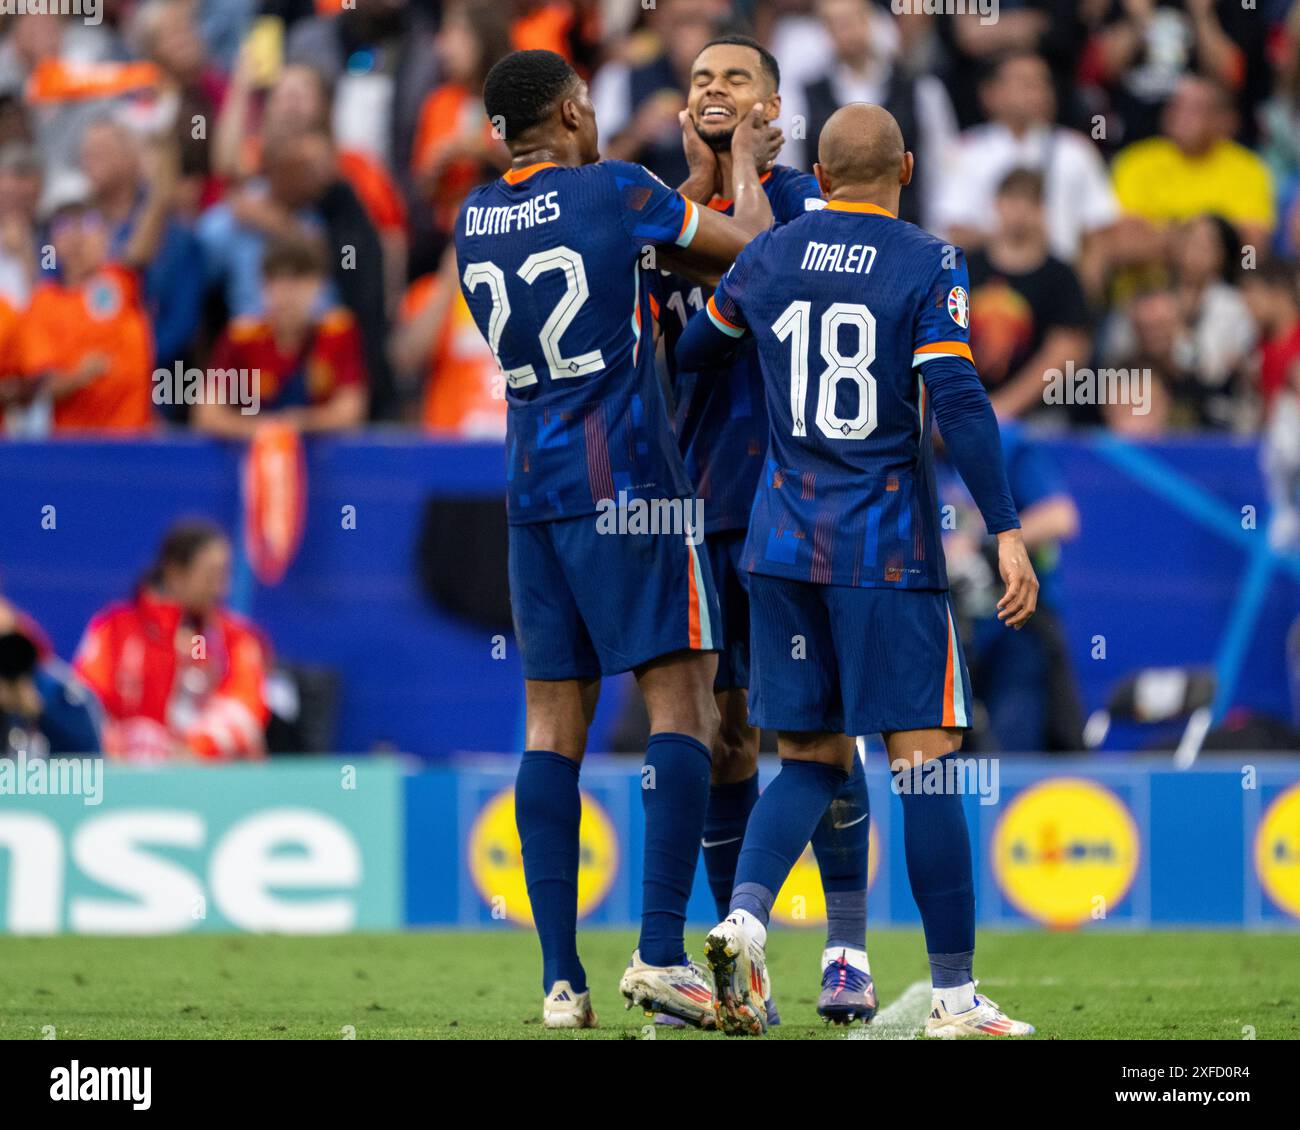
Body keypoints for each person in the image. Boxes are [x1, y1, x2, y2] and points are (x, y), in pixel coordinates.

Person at [676, 103, 1039, 1037]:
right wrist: (1005, 528)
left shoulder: (768, 254)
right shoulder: (928, 260)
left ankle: (743, 920)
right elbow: (957, 395)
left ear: (824, 177)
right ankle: (954, 996)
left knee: (809, 761)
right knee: (925, 767)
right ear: (907, 167)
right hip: (886, 551)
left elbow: (696, 350)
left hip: (780, 548)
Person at [453, 48, 771, 1030]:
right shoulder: (615, 189)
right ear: (570, 112)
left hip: (529, 493)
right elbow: (751, 250)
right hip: (630, 484)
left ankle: (562, 982)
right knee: (685, 705)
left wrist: (680, 193)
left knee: (552, 723)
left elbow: (621, 253)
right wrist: (742, 162)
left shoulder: (472, 217)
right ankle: (662, 952)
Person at [653, 33, 876, 1027]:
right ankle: (737, 967)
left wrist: (741, 166)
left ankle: (847, 947)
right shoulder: (657, 216)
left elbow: (755, 264)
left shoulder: (809, 212)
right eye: (700, 78)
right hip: (698, 502)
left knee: (817, 728)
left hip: (798, 505)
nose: (714, 88)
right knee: (725, 737)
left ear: (774, 106)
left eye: (735, 78)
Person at [73, 521, 271, 762]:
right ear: (175, 573)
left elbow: (245, 706)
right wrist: (126, 747)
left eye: (224, 575)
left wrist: (196, 748)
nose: (222, 589)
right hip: (126, 773)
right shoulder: (114, 629)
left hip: (208, 775)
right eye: (211, 576)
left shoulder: (234, 639)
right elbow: (87, 699)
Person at [194, 232, 368, 438]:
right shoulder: (241, 337)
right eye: (275, 281)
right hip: (253, 452)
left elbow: (350, 410)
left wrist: (300, 423)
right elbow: (207, 413)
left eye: (297, 280)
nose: (285, 293)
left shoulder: (338, 333)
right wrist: (267, 430)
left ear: (319, 285)